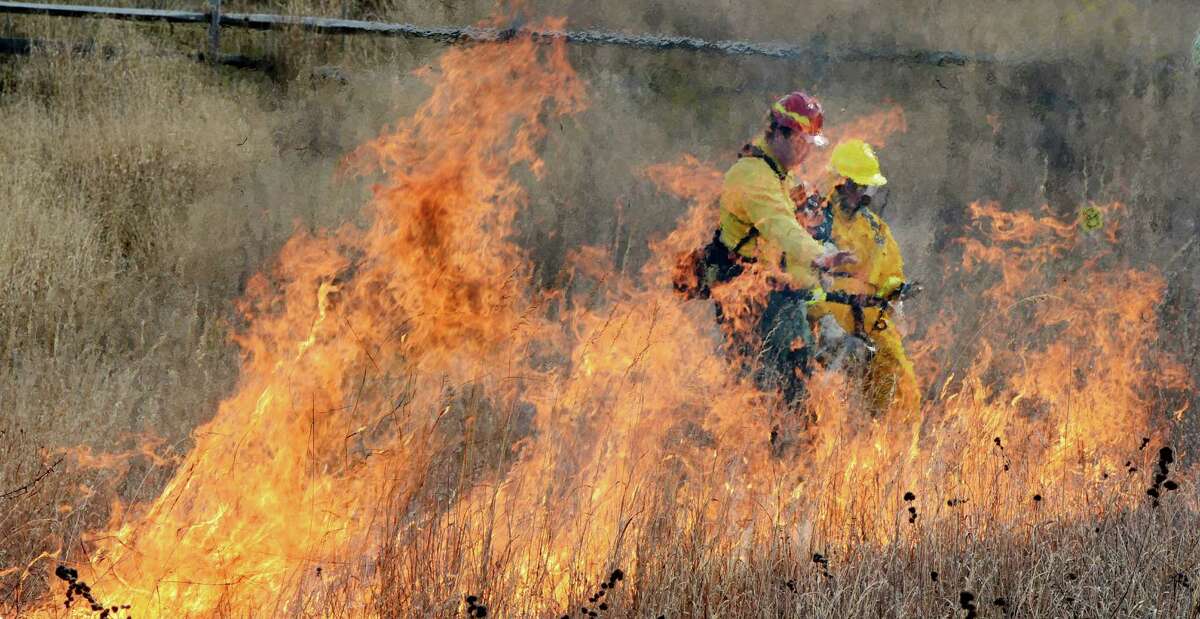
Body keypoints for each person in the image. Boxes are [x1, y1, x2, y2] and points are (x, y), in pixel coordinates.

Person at [712, 91, 853, 406]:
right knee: (755, 385)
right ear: (778, 133)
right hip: (745, 296)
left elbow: (796, 229)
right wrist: (820, 256)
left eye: (810, 143)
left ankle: (792, 430)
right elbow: (781, 227)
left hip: (774, 291)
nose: (806, 150)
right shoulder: (752, 176)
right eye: (800, 141)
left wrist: (817, 275)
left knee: (797, 378)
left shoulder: (781, 175)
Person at [807, 139, 919, 422]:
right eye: (856, 186)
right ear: (838, 182)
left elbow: (890, 271)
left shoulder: (874, 227)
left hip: (868, 314)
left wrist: (896, 291)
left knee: (899, 374)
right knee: (826, 388)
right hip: (826, 312)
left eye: (867, 188)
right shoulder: (815, 218)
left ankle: (890, 438)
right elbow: (803, 270)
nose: (863, 195)